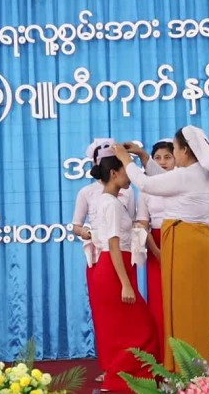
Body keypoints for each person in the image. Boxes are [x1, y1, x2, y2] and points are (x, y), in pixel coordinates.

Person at [112, 126, 209, 372]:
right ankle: (201, 366)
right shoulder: (197, 173)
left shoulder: (187, 175)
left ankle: (190, 368)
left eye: (174, 149)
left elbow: (145, 183)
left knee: (185, 307)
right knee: (198, 307)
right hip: (196, 242)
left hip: (188, 243)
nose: (173, 153)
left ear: (185, 150)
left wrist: (124, 159)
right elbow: (159, 179)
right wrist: (143, 156)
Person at [89, 144, 158, 392]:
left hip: (115, 270)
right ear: (115, 174)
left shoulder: (108, 201)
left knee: (125, 332)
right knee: (144, 331)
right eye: (126, 170)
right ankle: (121, 382)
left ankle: (124, 381)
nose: (130, 175)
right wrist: (127, 284)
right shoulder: (111, 204)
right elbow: (113, 245)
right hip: (115, 272)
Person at [71, 138, 136, 382]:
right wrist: (86, 232)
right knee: (107, 316)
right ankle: (111, 366)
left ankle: (129, 366)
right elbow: (76, 225)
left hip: (123, 256)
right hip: (103, 257)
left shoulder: (127, 192)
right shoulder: (87, 192)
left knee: (125, 316)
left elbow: (130, 223)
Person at [134, 139, 175, 363]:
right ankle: (162, 360)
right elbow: (142, 224)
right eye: (157, 158)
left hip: (181, 241)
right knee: (160, 305)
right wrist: (157, 251)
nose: (162, 162)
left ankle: (187, 361)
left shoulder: (182, 184)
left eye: (167, 157)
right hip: (155, 245)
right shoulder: (146, 189)